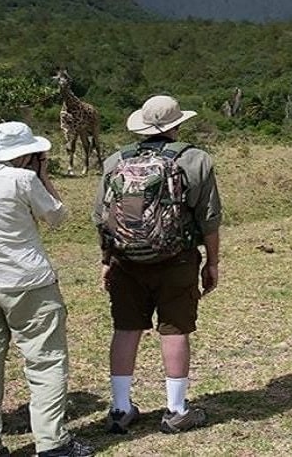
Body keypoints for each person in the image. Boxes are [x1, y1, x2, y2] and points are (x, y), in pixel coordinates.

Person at [0, 122, 93, 457]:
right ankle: (52, 442)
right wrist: (43, 175)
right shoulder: (23, 179)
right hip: (27, 283)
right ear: (26, 155)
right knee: (45, 361)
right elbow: (57, 217)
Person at [94, 95, 222, 435]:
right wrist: (212, 262)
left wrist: (107, 260)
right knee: (175, 329)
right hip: (176, 258)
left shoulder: (114, 161)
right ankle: (176, 409)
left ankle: (120, 408)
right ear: (176, 125)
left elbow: (101, 218)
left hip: (125, 261)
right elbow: (209, 219)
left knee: (125, 329)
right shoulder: (195, 160)